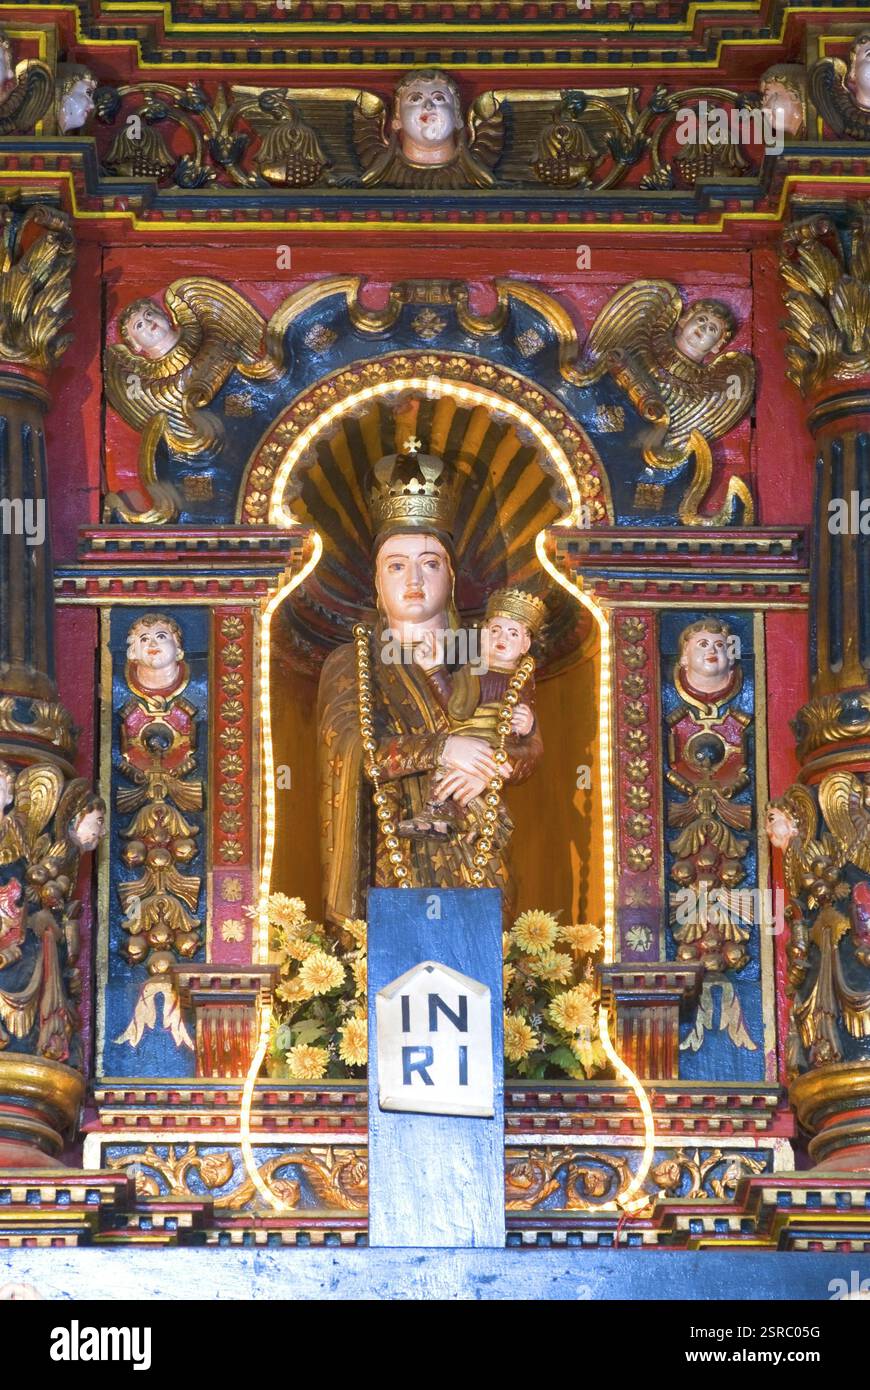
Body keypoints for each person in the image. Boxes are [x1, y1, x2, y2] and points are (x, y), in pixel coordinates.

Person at [396, 587, 544, 842]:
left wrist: (528, 725)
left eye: (512, 633)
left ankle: (490, 824)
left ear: (525, 644)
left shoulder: (522, 681)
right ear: (482, 635)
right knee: (444, 777)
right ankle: (439, 819)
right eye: (494, 630)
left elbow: (530, 745)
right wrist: (433, 668)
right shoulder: (469, 673)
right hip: (462, 739)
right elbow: (452, 703)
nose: (502, 638)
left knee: (472, 784)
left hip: (496, 745)